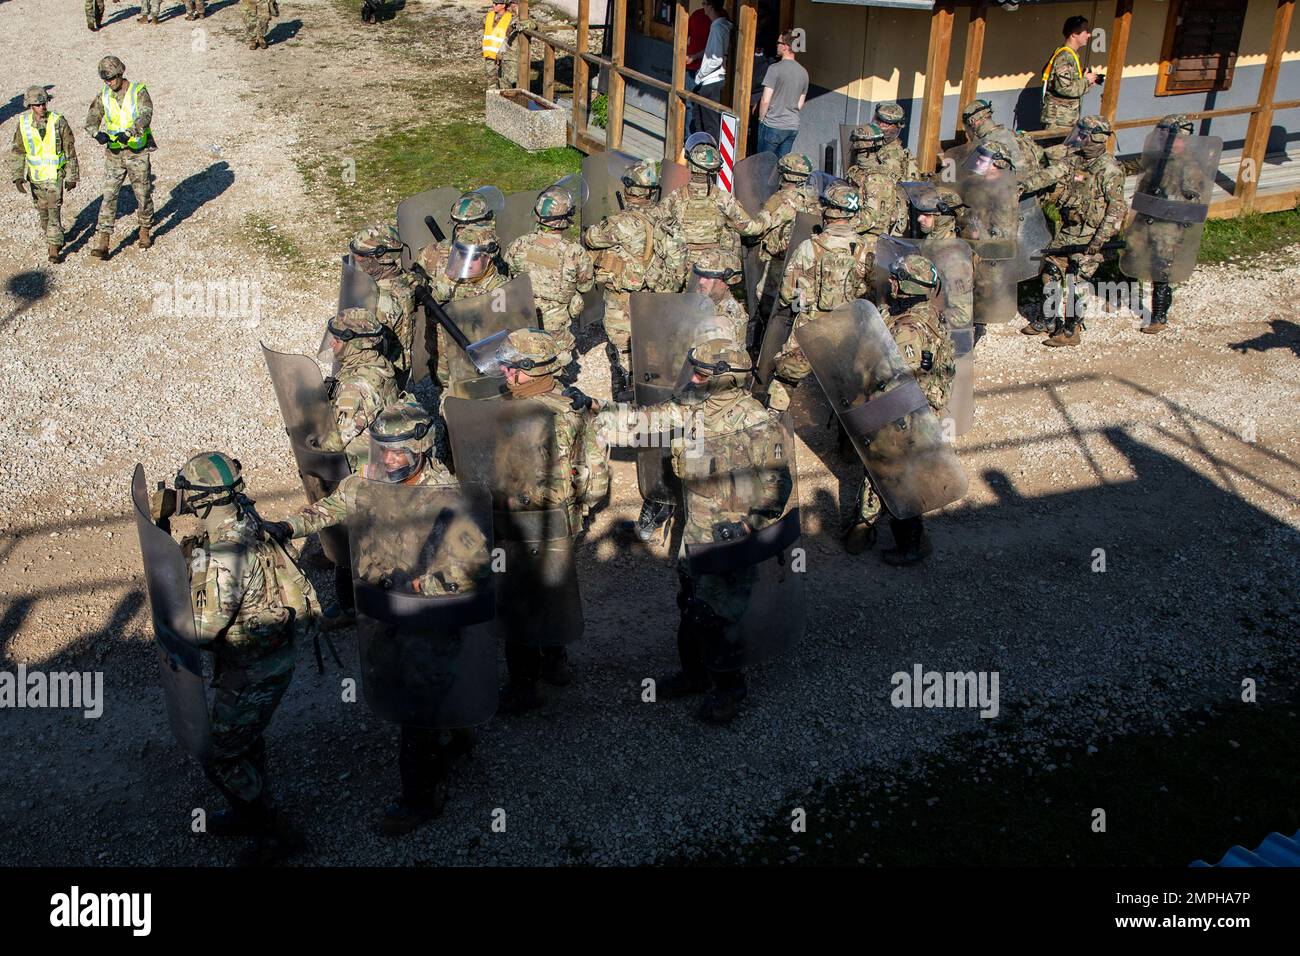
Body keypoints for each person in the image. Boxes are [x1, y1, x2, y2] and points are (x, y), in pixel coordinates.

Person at [263, 403, 484, 835]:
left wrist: (422, 588)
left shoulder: (448, 499)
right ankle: (457, 737)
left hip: (428, 616)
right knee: (420, 694)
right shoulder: (373, 479)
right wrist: (286, 527)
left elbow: (470, 570)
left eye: (397, 452)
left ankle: (420, 798)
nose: (386, 460)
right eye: (381, 449)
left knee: (415, 709)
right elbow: (332, 507)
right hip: (385, 610)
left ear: (420, 450)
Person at [593, 338, 790, 723]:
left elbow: (775, 488)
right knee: (690, 604)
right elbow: (644, 421)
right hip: (696, 534)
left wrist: (750, 527)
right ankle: (694, 675)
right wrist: (596, 410)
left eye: (702, 372)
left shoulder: (757, 424)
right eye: (695, 370)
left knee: (715, 616)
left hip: (730, 538)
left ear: (726, 380)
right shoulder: (693, 405)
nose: (694, 377)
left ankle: (730, 688)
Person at [149, 452, 318, 863]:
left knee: (220, 754)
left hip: (255, 668)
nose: (181, 496)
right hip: (254, 658)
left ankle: (275, 833)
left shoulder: (225, 554)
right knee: (245, 741)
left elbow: (205, 631)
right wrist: (165, 521)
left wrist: (170, 622)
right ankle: (250, 813)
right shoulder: (238, 511)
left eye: (187, 491)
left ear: (206, 500)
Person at [490, 330, 609, 713]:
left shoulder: (549, 417)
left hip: (531, 521)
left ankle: (524, 685)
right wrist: (583, 511)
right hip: (562, 522)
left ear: (536, 370)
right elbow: (596, 470)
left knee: (519, 599)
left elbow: (553, 486)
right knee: (551, 588)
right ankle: (556, 661)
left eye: (515, 367)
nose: (506, 371)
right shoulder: (565, 403)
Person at [844, 255, 954, 564]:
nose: (890, 281)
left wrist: (868, 404)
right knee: (889, 469)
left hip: (902, 412)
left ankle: (907, 540)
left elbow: (896, 381)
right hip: (914, 409)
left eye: (896, 277)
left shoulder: (908, 329)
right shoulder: (926, 313)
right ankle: (863, 527)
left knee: (894, 471)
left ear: (907, 286)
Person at [584, 160, 683, 400]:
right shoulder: (666, 216)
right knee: (653, 347)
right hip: (658, 297)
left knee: (625, 351)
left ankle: (631, 396)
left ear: (628, 189)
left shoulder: (621, 224)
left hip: (625, 300)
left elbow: (591, 237)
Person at [1024, 116, 1126, 346]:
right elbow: (1050, 174)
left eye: (1083, 135)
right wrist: (1023, 186)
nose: (1079, 139)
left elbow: (1117, 208)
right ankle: (1048, 319)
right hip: (1070, 230)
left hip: (1092, 234)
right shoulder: (1075, 160)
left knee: (1077, 281)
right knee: (1050, 270)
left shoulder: (1109, 169)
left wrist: (1099, 240)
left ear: (1097, 138)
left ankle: (1071, 330)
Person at [771, 181, 873, 411]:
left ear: (828, 211)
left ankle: (773, 420)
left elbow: (788, 293)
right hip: (850, 327)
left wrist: (800, 301)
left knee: (787, 374)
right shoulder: (867, 249)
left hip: (812, 324)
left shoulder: (810, 246)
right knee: (852, 384)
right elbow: (872, 291)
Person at [504, 183, 596, 381]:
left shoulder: (519, 244)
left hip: (523, 317)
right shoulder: (574, 252)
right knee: (553, 368)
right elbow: (586, 286)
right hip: (556, 324)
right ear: (566, 218)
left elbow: (508, 273)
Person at [1130, 115, 1211, 336]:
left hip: (1168, 224)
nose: (1165, 139)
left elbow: (1194, 198)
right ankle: (1124, 296)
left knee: (1161, 268)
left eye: (1170, 136)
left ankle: (1159, 316)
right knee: (1132, 253)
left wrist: (1172, 196)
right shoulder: (1158, 158)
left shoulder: (1189, 165)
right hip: (1147, 216)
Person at [660, 134, 761, 279]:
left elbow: (657, 223)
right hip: (713, 270)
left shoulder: (675, 197)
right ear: (715, 166)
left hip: (680, 268)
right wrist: (766, 216)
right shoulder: (723, 199)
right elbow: (751, 228)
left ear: (690, 162)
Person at [85, 56, 155, 260]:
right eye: (105, 80)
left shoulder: (138, 91)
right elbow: (91, 119)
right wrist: (96, 133)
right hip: (114, 154)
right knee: (109, 196)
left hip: (136, 152)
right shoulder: (103, 95)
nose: (109, 83)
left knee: (142, 193)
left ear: (120, 74)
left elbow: (146, 114)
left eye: (112, 78)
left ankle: (144, 229)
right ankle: (103, 241)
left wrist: (131, 131)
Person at [427, 222, 511, 387]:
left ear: (489, 257)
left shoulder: (499, 289)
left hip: (479, 364)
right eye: (461, 254)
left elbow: (502, 332)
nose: (466, 261)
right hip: (449, 360)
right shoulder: (451, 280)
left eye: (473, 256)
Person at [320, 309, 404, 471]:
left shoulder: (354, 388)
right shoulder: (379, 363)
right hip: (382, 451)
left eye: (337, 340)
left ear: (356, 345)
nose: (331, 344)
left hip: (362, 471)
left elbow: (333, 445)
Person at [11, 86, 78, 264]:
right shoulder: (24, 124)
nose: (42, 107)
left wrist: (72, 175)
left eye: (43, 103)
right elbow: (18, 150)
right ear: (30, 106)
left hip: (55, 176)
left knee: (54, 209)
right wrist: (17, 175)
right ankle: (53, 236)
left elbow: (69, 149)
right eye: (37, 104)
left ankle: (54, 247)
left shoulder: (58, 121)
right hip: (35, 177)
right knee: (43, 211)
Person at [348, 224, 420, 388]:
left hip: (380, 374)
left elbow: (367, 350)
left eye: (362, 257)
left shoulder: (381, 301)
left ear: (382, 258)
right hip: (400, 365)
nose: (357, 260)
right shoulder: (405, 280)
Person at [1041, 15, 1098, 130]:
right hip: (1058, 121)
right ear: (1074, 34)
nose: (1089, 35)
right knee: (1056, 148)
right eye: (1085, 31)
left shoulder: (1071, 55)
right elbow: (1065, 88)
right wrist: (1085, 81)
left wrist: (1086, 82)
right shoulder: (1065, 57)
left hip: (1065, 119)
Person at [756, 32, 807, 159]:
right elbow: (800, 104)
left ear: (785, 46)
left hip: (773, 124)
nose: (776, 45)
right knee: (782, 166)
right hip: (792, 126)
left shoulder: (775, 68)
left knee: (764, 164)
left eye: (779, 42)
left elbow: (765, 100)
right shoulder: (804, 72)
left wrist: (761, 119)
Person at [692, 0, 732, 141]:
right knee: (710, 121)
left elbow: (715, 58)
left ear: (710, 6)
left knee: (707, 124)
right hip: (719, 79)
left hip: (712, 79)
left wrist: (700, 74)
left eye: (704, 3)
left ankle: (707, 155)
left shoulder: (717, 27)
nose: (703, 7)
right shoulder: (725, 25)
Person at [684, 3, 713, 136]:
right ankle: (690, 138)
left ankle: (698, 139)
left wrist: (693, 56)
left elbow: (713, 49)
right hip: (694, 67)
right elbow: (684, 35)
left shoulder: (720, 20)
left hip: (708, 70)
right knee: (690, 104)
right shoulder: (696, 15)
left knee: (703, 107)